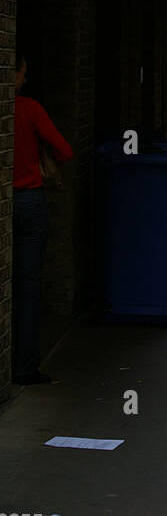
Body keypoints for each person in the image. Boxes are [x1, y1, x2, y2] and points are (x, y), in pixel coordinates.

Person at [12, 56, 74, 384]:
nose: (25, 80)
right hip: (29, 200)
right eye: (23, 74)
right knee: (27, 284)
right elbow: (64, 150)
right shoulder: (29, 108)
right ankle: (24, 367)